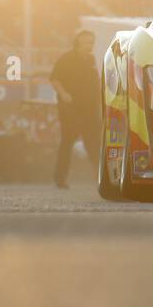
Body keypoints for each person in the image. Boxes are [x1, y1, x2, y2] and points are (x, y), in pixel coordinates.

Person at [49, 30, 101, 189]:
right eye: (86, 42)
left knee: (94, 142)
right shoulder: (67, 58)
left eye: (91, 42)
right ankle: (60, 178)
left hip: (90, 108)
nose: (89, 45)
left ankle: (100, 177)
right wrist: (64, 94)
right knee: (67, 142)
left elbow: (95, 81)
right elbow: (54, 79)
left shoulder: (91, 59)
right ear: (77, 43)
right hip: (71, 108)